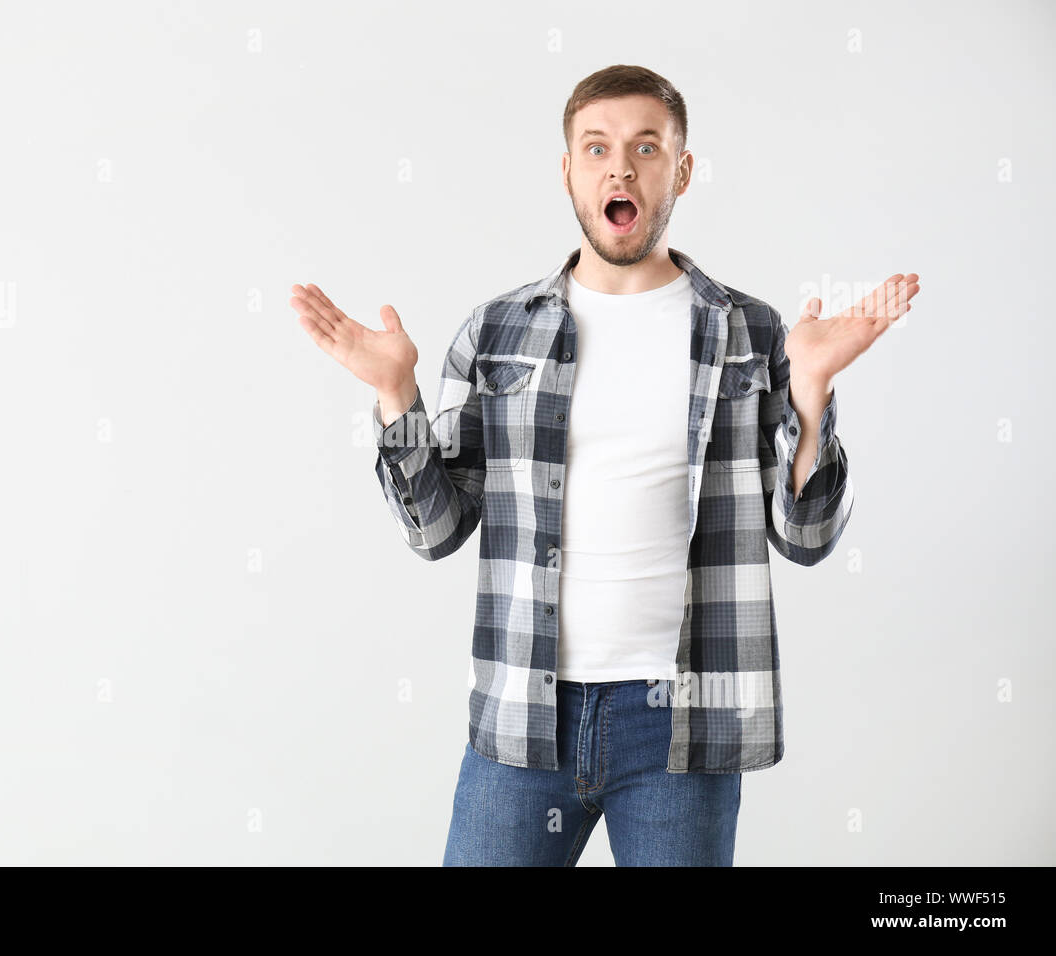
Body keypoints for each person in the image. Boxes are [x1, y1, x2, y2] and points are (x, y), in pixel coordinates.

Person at [289, 64, 919, 866]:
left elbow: (807, 536)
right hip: (522, 718)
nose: (620, 166)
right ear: (568, 172)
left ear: (681, 171)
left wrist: (813, 392)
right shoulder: (495, 331)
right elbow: (438, 530)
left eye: (645, 147)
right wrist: (394, 395)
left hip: (679, 730)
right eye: (597, 148)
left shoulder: (751, 333)